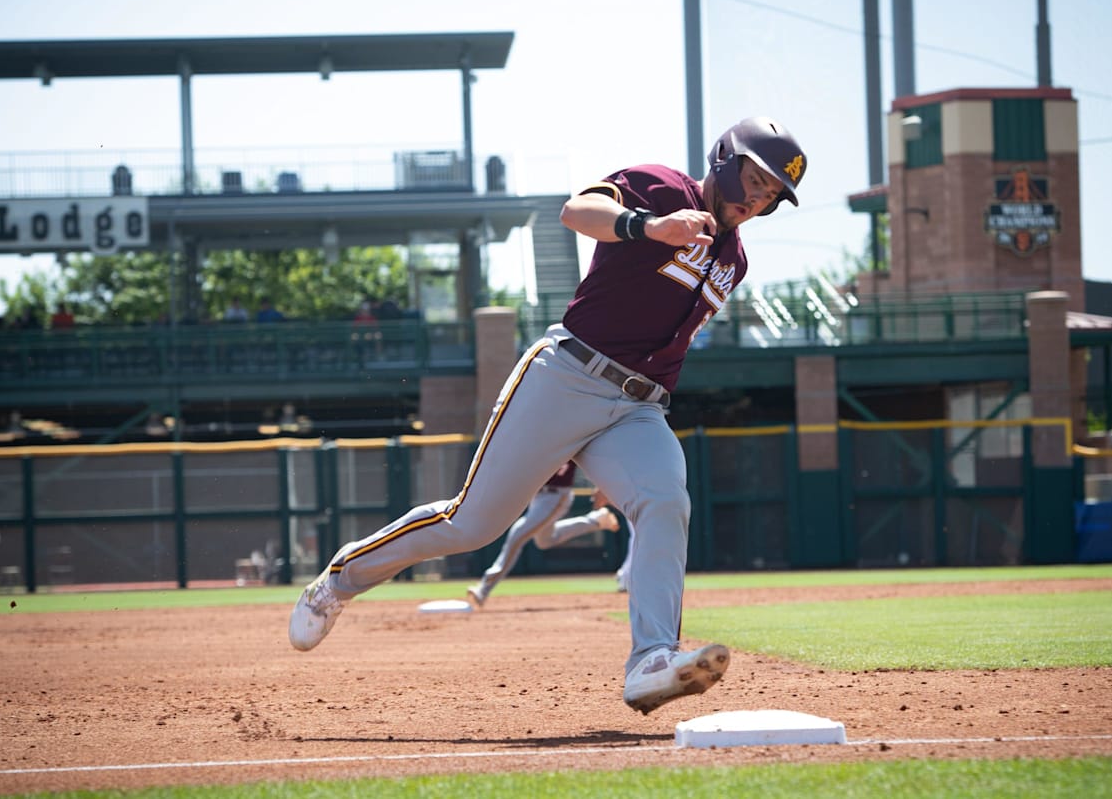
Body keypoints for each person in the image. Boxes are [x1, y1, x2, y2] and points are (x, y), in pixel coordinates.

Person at [288, 116, 806, 715]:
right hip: (566, 375)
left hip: (638, 407)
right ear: (724, 159)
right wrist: (649, 227)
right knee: (471, 524)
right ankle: (341, 577)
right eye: (756, 178)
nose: (758, 196)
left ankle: (650, 662)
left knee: (666, 500)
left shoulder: (734, 260)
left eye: (772, 194)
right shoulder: (661, 186)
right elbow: (576, 211)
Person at [465, 462, 622, 608]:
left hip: (555, 496)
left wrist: (602, 487)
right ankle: (596, 520)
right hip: (539, 496)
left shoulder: (569, 438)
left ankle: (484, 588)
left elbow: (591, 462)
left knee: (518, 535)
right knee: (545, 541)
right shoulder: (540, 439)